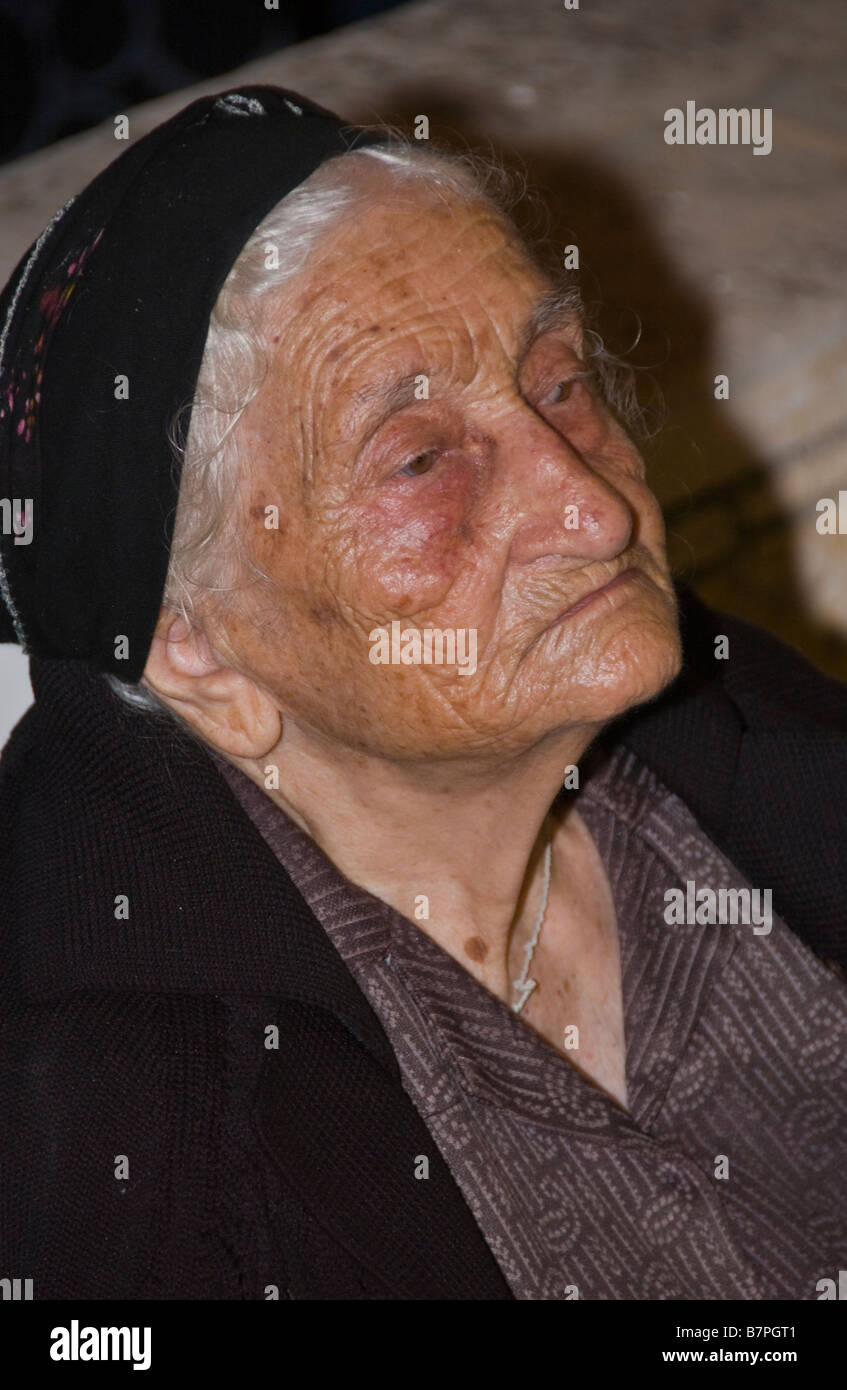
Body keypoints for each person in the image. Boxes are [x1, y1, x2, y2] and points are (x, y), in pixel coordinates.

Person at [1, 85, 845, 1302]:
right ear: (199, 648)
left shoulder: (741, 735)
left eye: (556, 382)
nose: (594, 509)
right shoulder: (124, 1172)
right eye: (418, 460)